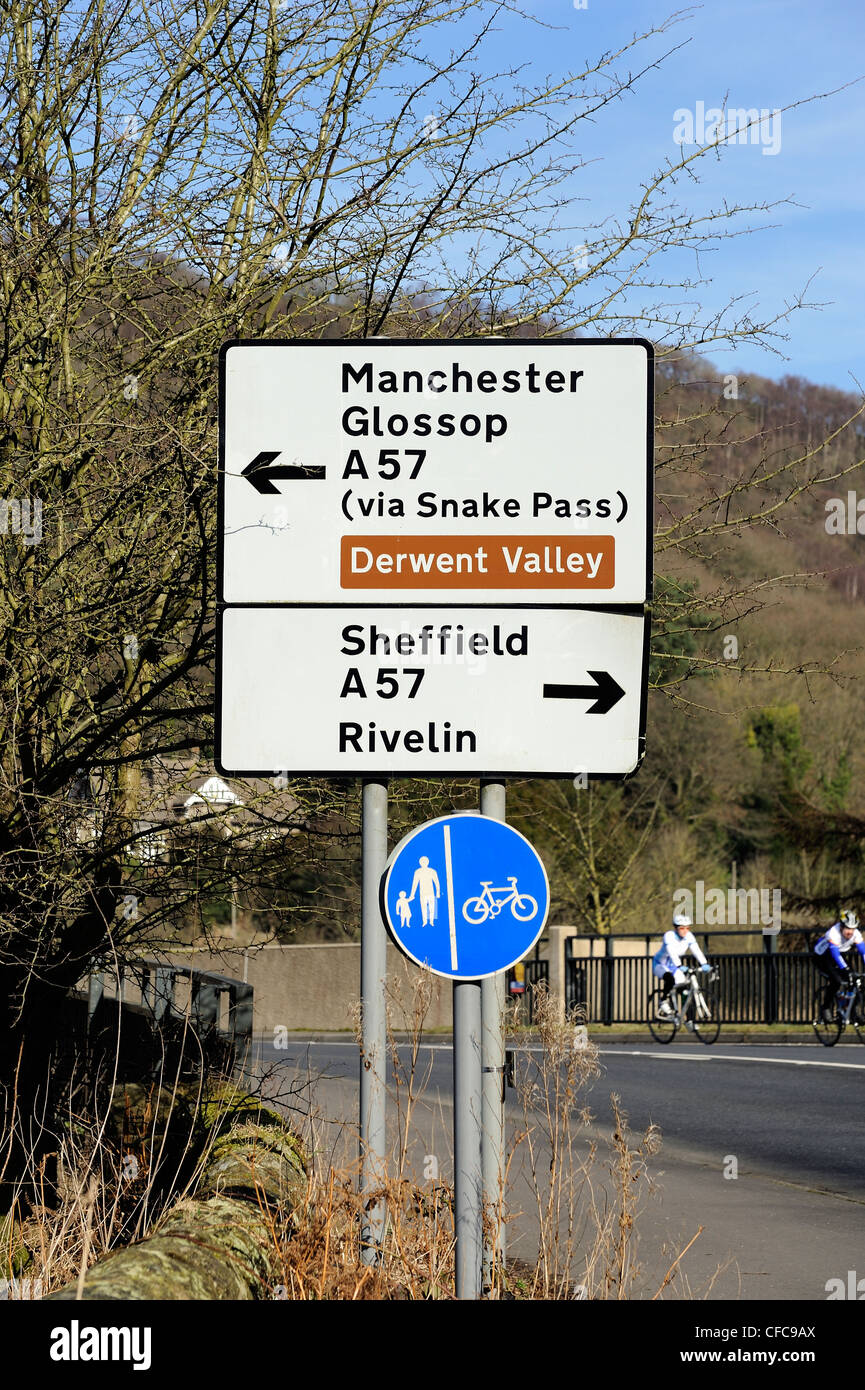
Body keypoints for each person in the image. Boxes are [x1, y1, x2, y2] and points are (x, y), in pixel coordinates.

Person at [652, 913, 711, 1018]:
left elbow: (696, 950)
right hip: (660, 964)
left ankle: (690, 1020)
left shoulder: (689, 936)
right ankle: (663, 1001)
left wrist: (704, 963)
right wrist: (679, 965)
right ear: (676, 928)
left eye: (687, 928)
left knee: (685, 991)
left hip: (674, 966)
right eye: (682, 928)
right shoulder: (669, 936)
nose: (685, 930)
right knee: (669, 978)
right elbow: (672, 953)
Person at [813, 909, 865, 1019]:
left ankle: (850, 1009)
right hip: (823, 957)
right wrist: (845, 969)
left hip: (839, 954)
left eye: (853, 928)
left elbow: (863, 951)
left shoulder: (856, 934)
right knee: (836, 981)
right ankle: (826, 1007)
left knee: (855, 979)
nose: (850, 932)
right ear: (841, 926)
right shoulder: (833, 933)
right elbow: (835, 954)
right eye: (847, 928)